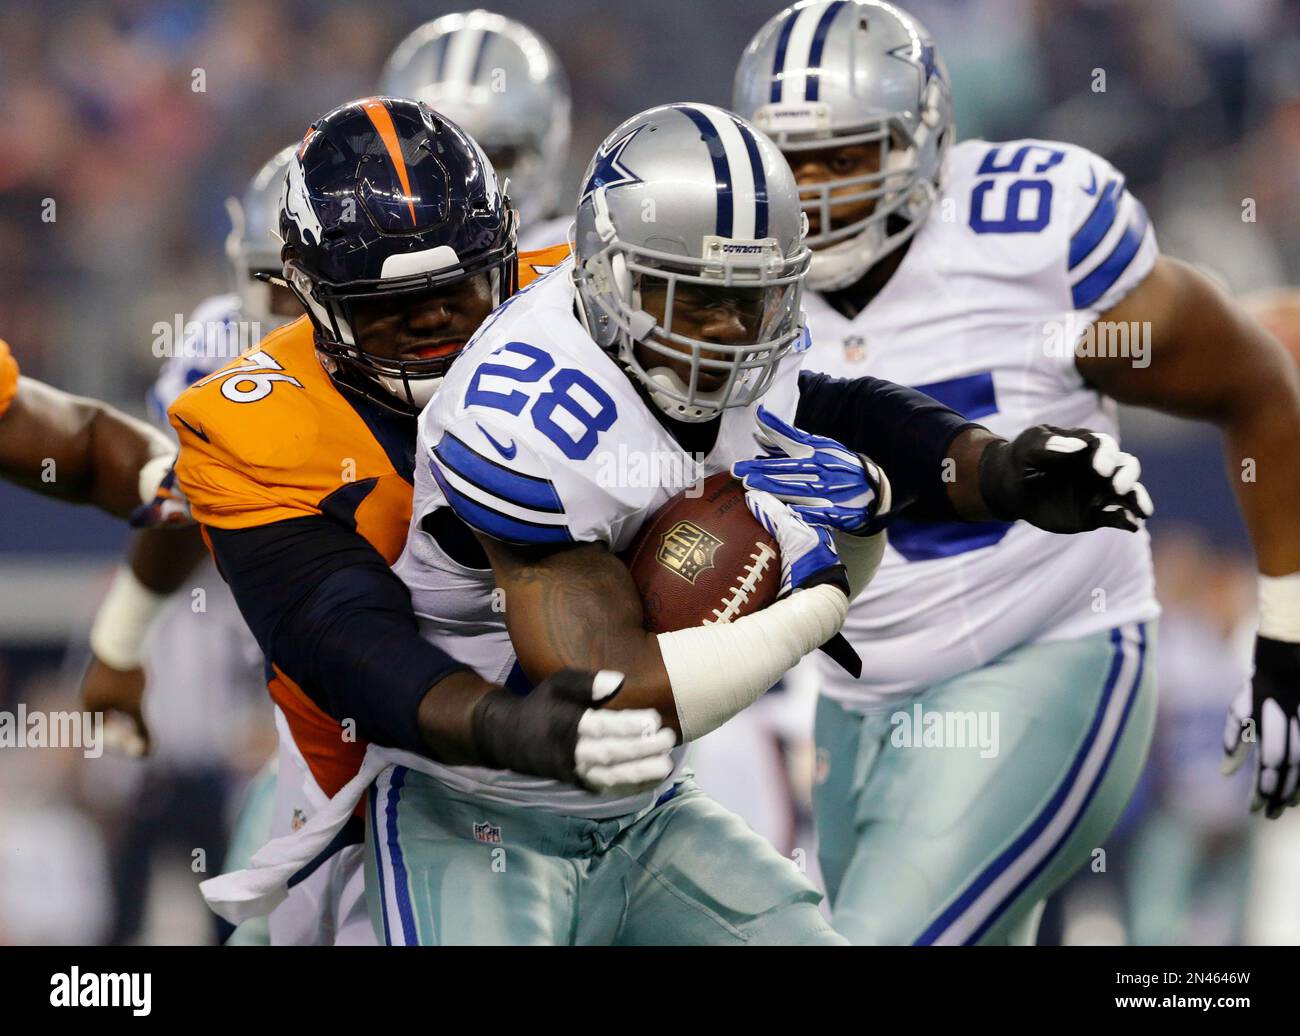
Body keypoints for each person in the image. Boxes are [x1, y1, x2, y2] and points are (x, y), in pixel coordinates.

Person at [728, 0, 1300, 945]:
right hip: (854, 702)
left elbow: (1261, 389)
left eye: (845, 156)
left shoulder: (1028, 236)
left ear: (924, 146)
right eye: (790, 161)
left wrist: (1285, 639)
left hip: (1045, 655)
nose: (814, 190)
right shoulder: (730, 282)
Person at [166, 97, 671, 941]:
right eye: (390, 307)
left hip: (612, 786)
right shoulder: (246, 423)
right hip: (365, 793)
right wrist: (504, 726)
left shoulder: (580, 295)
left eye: (461, 289)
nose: (436, 319)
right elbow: (348, 641)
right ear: (312, 300)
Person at [379, 9, 574, 249]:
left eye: (494, 157)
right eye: (433, 158)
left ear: (550, 145)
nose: (464, 187)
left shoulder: (570, 257)